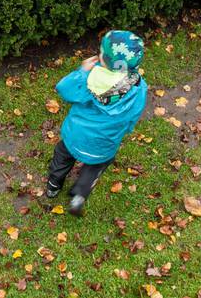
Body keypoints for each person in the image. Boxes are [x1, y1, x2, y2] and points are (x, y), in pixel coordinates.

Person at [45, 30, 148, 216]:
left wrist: (82, 72)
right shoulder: (138, 87)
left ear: (105, 59)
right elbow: (134, 115)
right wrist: (127, 129)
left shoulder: (90, 80)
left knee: (62, 156)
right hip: (104, 145)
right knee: (94, 167)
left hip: (75, 136)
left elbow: (64, 90)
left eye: (101, 51)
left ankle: (53, 185)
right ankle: (79, 196)